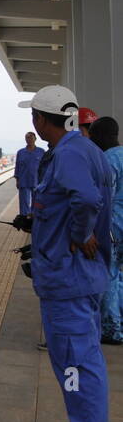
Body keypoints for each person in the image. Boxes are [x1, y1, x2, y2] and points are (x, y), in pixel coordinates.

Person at [15, 86, 113, 422]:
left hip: (68, 277)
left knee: (76, 361)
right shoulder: (86, 149)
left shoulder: (69, 154)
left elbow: (87, 200)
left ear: (40, 120)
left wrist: (79, 233)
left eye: (34, 117)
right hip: (80, 276)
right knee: (80, 359)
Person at [89, 116, 123, 345]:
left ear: (103, 136)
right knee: (119, 276)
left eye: (93, 136)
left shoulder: (107, 161)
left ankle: (112, 329)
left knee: (109, 276)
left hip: (114, 228)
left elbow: (103, 200)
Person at [15, 132, 45, 216]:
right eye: (27, 138)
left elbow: (44, 167)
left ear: (35, 139)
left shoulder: (41, 151)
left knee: (37, 202)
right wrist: (17, 180)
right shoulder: (20, 152)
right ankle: (24, 217)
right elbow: (17, 166)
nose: (29, 139)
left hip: (37, 181)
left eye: (31, 137)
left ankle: (35, 217)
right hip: (23, 181)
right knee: (24, 202)